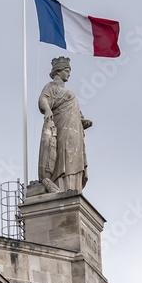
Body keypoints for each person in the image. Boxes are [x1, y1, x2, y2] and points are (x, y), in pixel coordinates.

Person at [38, 58, 92, 193]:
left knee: (74, 157)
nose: (69, 74)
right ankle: (62, 187)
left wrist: (82, 122)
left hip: (75, 132)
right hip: (62, 127)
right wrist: (48, 109)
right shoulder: (51, 87)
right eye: (67, 71)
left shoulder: (68, 92)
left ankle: (75, 189)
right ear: (58, 71)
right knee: (63, 155)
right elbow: (43, 99)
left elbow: (76, 113)